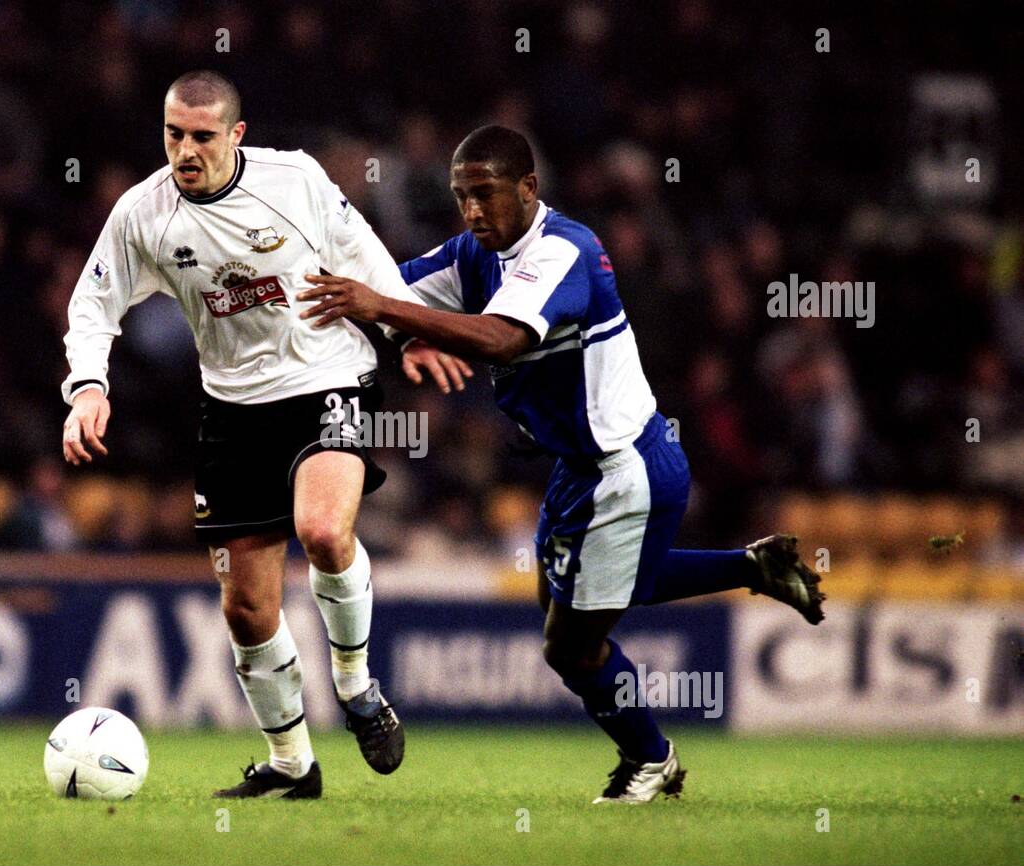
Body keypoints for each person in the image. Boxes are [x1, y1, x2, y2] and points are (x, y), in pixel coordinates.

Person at [298, 125, 825, 804]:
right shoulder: (471, 255)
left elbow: (503, 339)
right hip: (583, 472)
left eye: (485, 194)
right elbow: (384, 294)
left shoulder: (564, 250)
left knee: (571, 647)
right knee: (580, 600)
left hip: (623, 469)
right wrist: (364, 313)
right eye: (462, 197)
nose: (474, 211)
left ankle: (650, 759)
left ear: (528, 187)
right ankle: (749, 567)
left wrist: (384, 309)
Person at [60, 71, 471, 799]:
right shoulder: (141, 215)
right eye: (173, 134)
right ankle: (291, 765)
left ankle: (357, 686)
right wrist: (88, 386)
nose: (184, 150)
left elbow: (363, 254)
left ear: (236, 135)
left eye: (201, 137)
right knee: (247, 608)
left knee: (321, 530)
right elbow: (94, 303)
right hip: (232, 409)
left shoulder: (298, 180)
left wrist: (407, 329)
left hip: (327, 378)